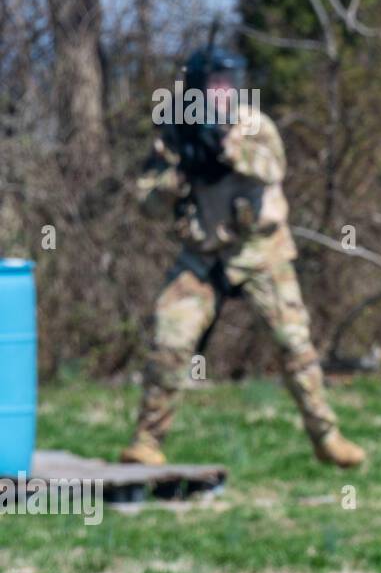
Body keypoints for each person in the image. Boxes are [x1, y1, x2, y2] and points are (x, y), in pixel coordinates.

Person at [121, 47, 366, 469]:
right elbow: (145, 202)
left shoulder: (253, 125)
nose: (222, 91)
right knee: (170, 338)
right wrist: (177, 178)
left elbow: (274, 167)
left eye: (228, 82)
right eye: (214, 82)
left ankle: (326, 435)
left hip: (261, 253)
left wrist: (227, 150)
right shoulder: (175, 133)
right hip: (203, 256)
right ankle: (147, 440)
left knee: (294, 343)